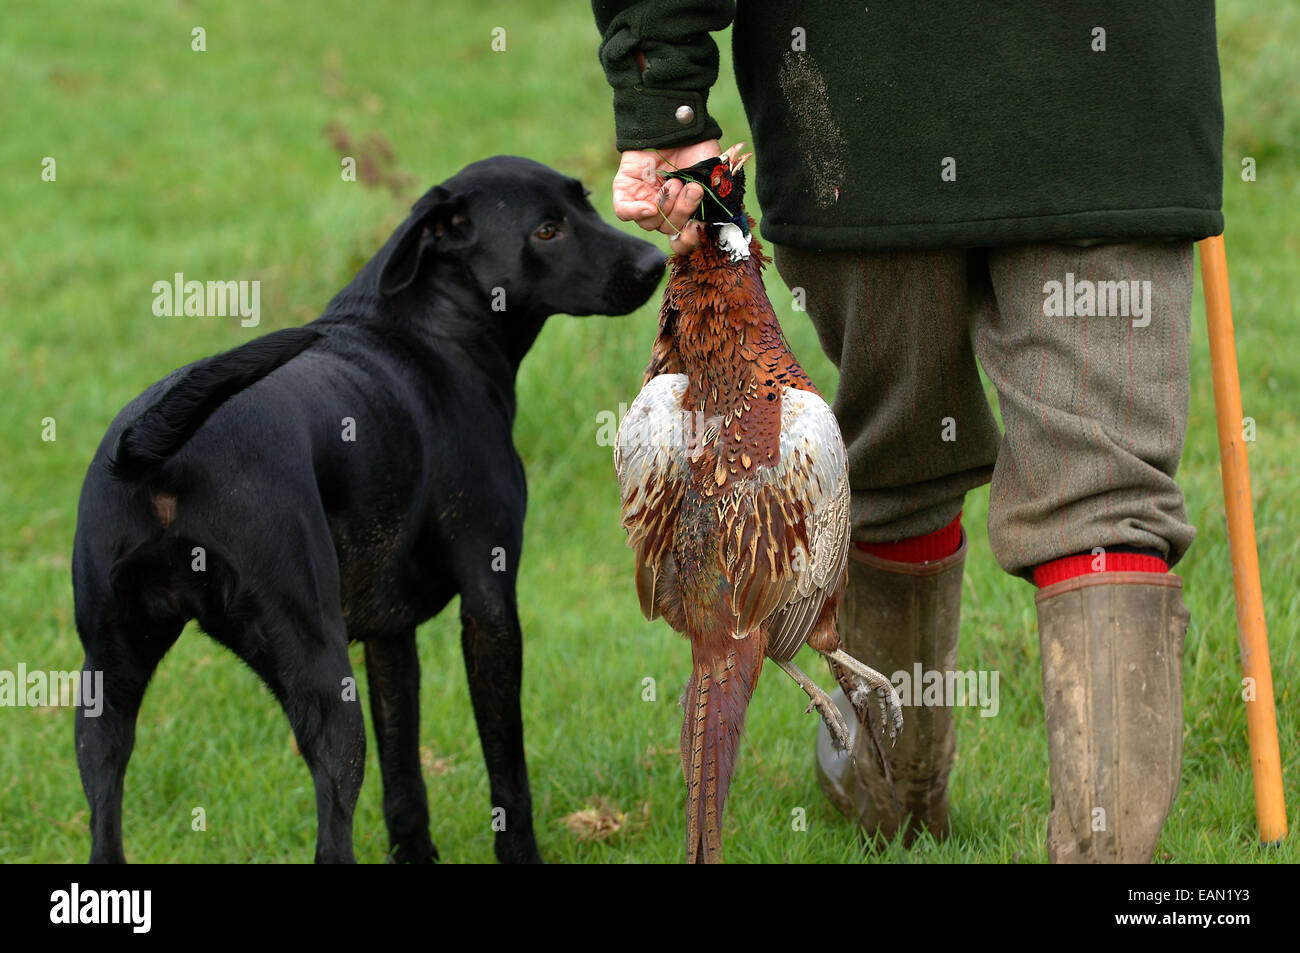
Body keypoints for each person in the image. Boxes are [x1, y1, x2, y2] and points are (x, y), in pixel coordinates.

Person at [592, 0, 1223, 863]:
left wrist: (662, 92)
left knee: (893, 453)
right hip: (1114, 102)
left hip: (856, 103)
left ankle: (889, 805)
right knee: (1106, 497)